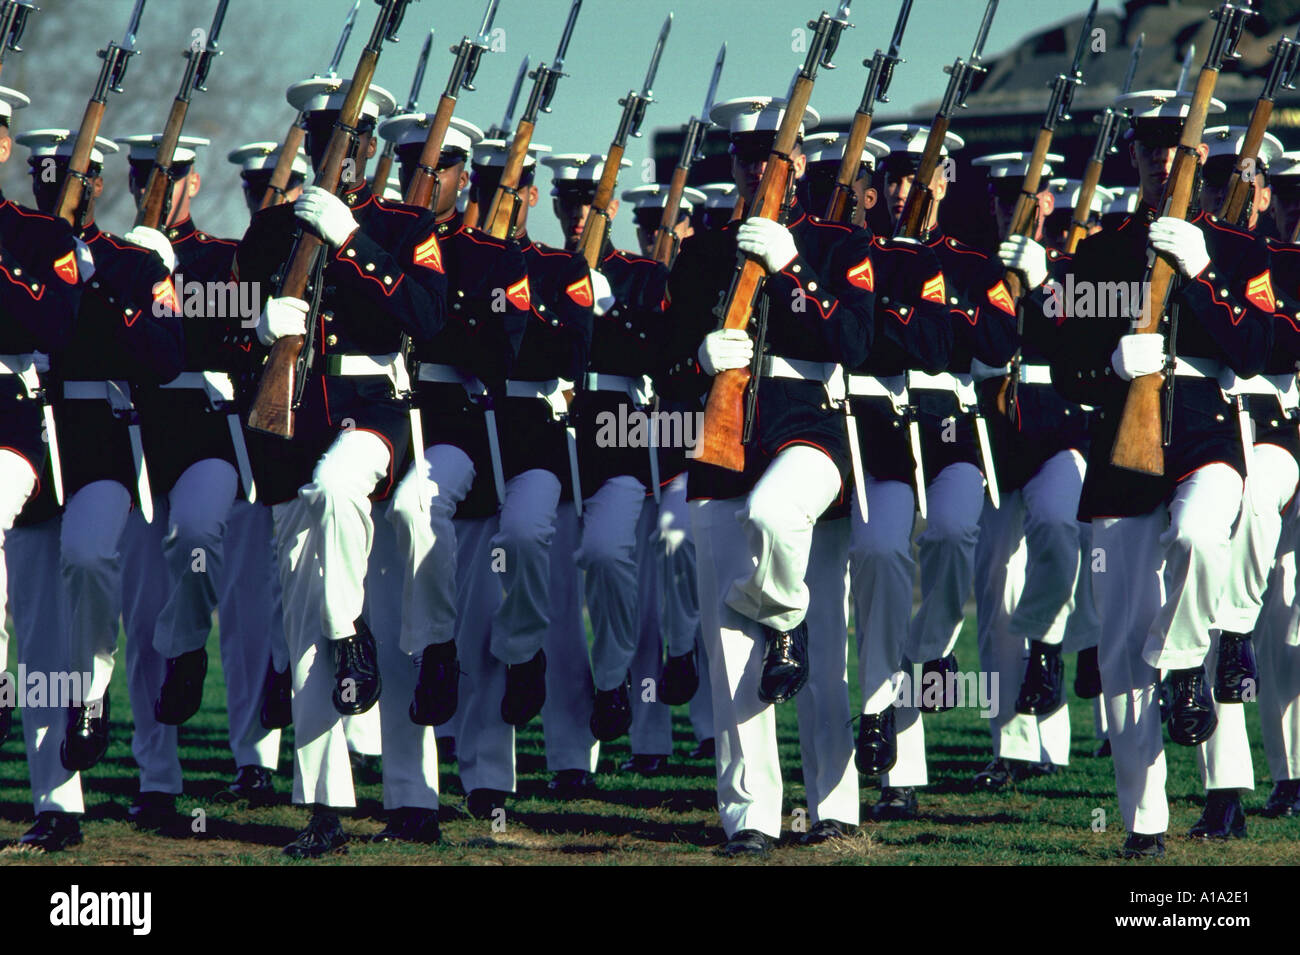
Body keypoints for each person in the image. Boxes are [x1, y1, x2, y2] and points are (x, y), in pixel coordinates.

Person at [1053, 89, 1275, 859]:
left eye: (1174, 146)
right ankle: (1143, 821)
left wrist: (1204, 273)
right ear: (1133, 157)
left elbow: (1260, 350)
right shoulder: (1104, 252)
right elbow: (1059, 358)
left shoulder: (1237, 250)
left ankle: (1185, 665)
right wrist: (1109, 363)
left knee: (1200, 538)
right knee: (1117, 644)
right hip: (1122, 450)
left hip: (1206, 437)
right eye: (1148, 145)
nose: (1160, 158)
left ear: (1201, 156)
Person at [234, 76, 446, 857]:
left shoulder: (403, 222)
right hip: (291, 421)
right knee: (302, 619)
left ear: (369, 151)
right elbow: (225, 340)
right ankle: (324, 807)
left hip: (377, 418)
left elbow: (428, 315)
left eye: (350, 143)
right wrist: (256, 328)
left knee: (379, 603)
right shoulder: (267, 232)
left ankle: (413, 794)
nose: (338, 155)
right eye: (326, 141)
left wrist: (355, 242)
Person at [660, 95, 874, 856]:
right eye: (746, 157)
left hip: (809, 431)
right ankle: (749, 816)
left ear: (801, 163)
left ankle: (834, 805)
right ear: (730, 165)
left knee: (803, 602)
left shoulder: (840, 241)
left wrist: (790, 266)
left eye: (772, 157)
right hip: (723, 444)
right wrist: (697, 360)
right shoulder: (703, 251)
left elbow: (855, 336)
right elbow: (662, 354)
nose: (757, 169)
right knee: (729, 648)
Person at [16, 128, 183, 787]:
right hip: (27, 426)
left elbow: (167, 359)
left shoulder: (130, 262)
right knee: (35, 623)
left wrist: (108, 287)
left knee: (88, 555)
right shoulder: (16, 251)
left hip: (102, 438)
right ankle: (55, 805)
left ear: (98, 186)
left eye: (75, 177)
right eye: (47, 176)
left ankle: (90, 684)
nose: (59, 189)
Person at [109, 132, 259, 829]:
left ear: (193, 185)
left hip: (204, 433)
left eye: (171, 177)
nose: (158, 188)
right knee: (140, 615)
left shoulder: (221, 258)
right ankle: (157, 777)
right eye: (146, 176)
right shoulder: (116, 259)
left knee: (199, 537)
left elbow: (243, 329)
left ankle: (190, 642)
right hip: (141, 440)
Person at [967, 150, 1093, 790]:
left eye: (1033, 195)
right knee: (995, 588)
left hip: (1059, 431)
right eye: (1007, 197)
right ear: (994, 206)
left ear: (1050, 202)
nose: (1020, 207)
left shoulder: (1074, 269)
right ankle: (1012, 746)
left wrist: (1046, 285)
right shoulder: (973, 271)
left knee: (1058, 527)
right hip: (996, 444)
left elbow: (1088, 344)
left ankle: (1048, 651)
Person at [1185, 125, 1292, 838]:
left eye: (1250, 181)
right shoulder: (1188, 251)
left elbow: (1269, 344)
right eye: (1222, 177)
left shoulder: (1280, 260)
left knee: (1284, 618)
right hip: (1229, 432)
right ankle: (1225, 788)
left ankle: (1291, 767)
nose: (1244, 194)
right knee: (1217, 592)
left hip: (1284, 431)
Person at [0, 88, 88, 853]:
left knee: (41, 638)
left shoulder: (38, 233)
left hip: (15, 429)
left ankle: (59, 801)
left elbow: (53, 322)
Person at [1253, 148, 1300, 820]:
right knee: (1276, 615)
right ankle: (1289, 772)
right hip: (1270, 444)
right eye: (1289, 196)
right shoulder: (1257, 268)